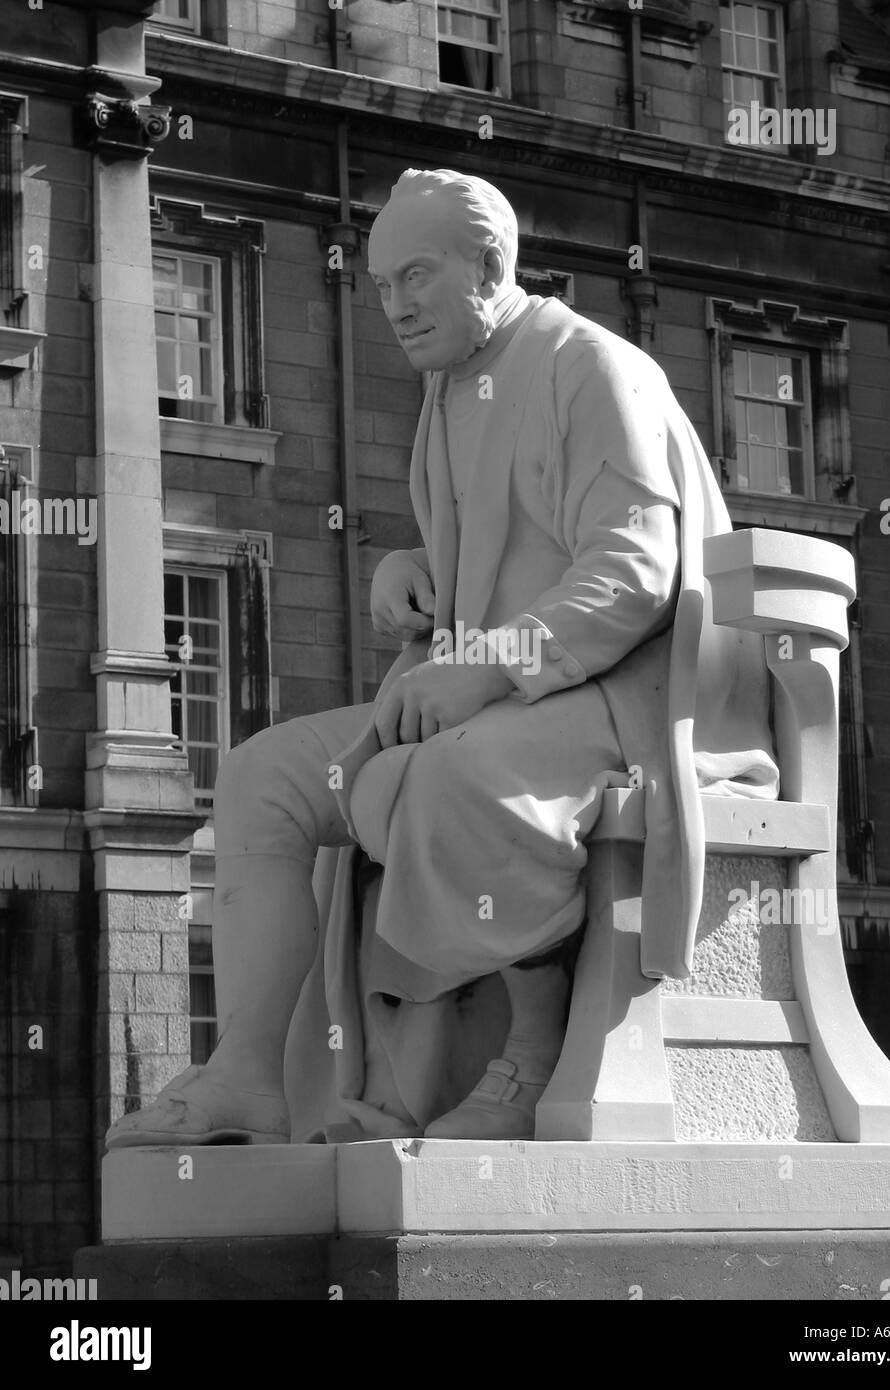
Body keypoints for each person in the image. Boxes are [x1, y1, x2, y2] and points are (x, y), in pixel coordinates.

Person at [106, 168, 777, 1150]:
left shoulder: (590, 366)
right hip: (488, 695)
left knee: (456, 777)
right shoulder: (452, 386)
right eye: (380, 285)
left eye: (414, 275)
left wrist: (487, 664)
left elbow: (633, 567)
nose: (394, 304)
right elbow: (514, 537)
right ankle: (244, 1076)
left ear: (487, 265)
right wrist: (409, 568)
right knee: (262, 776)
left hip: (625, 697)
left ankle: (531, 1054)